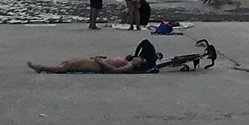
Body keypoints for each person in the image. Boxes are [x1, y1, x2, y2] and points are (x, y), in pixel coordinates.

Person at [29, 38, 157, 74]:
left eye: (139, 59)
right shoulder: (128, 61)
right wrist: (102, 58)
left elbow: (115, 70)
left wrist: (102, 62)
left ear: (138, 64)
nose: (137, 57)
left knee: (67, 66)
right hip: (96, 62)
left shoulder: (129, 66)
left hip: (97, 66)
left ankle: (41, 67)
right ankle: (46, 67)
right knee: (67, 62)